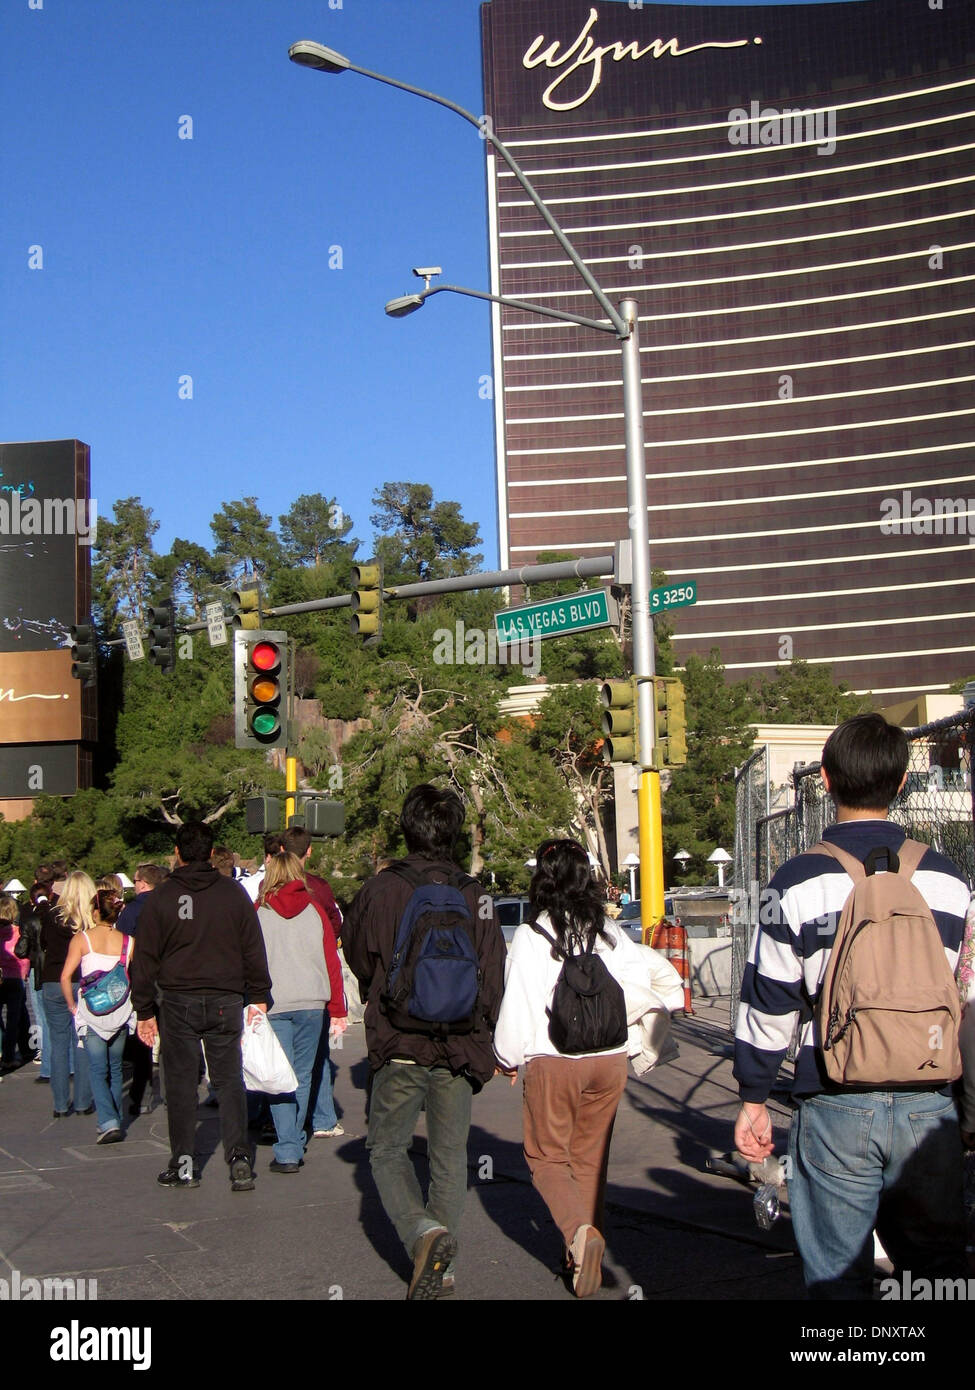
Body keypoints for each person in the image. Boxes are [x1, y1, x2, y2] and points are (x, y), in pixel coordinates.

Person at [733, 712, 971, 1298]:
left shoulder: (794, 881)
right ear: (901, 782)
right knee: (936, 1273)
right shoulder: (949, 881)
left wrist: (754, 1098)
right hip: (930, 1098)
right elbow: (965, 997)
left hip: (834, 1096)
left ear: (825, 779)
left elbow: (770, 1002)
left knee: (838, 1275)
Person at [343, 784, 506, 1300]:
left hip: (399, 1040)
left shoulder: (382, 889)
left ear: (407, 829)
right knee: (450, 1156)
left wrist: (381, 992)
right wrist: (486, 1034)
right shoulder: (475, 894)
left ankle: (422, 1234)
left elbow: (357, 955)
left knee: (386, 1148)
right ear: (454, 833)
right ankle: (444, 1265)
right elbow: (493, 973)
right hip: (460, 1043)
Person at [493, 839, 640, 1297]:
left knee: (546, 1158)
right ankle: (580, 1254)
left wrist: (506, 1058)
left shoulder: (532, 933)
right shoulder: (610, 931)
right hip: (610, 1059)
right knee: (590, 1159)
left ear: (543, 878)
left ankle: (578, 1233)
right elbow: (634, 988)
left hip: (554, 1060)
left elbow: (518, 1004)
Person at [130, 821, 273, 1191]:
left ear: (177, 853)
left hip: (178, 999)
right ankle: (239, 1157)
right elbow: (253, 947)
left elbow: (145, 958)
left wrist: (144, 1009)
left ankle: (184, 1164)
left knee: (180, 1084)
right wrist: (259, 994)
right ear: (211, 853)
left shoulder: (162, 897)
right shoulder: (232, 893)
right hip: (225, 997)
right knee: (229, 1080)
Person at [255, 852, 348, 1172]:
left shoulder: (260, 911)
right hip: (312, 1002)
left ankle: (288, 1147)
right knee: (303, 1074)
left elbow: (250, 959)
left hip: (274, 1001)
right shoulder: (315, 910)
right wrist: (338, 1008)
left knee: (279, 1076)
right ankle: (292, 1140)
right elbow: (331, 961)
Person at [281, 825, 347, 1138]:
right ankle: (321, 1118)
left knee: (281, 1058)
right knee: (316, 1057)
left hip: (278, 984)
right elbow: (334, 927)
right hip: (313, 981)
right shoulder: (318, 889)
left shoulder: (266, 892)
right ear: (309, 851)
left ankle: (280, 1124)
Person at [61, 886, 133, 1144]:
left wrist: (73, 1006)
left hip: (92, 1012)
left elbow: (65, 977)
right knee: (116, 1068)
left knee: (97, 1069)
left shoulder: (82, 939)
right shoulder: (128, 941)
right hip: (120, 1012)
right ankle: (115, 1118)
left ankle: (108, 1121)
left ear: (94, 912)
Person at [40, 872, 94, 1119]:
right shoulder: (90, 919)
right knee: (82, 1040)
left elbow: (44, 943)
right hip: (82, 980)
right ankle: (83, 1101)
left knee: (59, 1043)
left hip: (54, 979)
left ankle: (60, 1104)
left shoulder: (53, 916)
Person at [117, 864, 168, 1115]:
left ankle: (142, 1096)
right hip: (169, 978)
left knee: (143, 1040)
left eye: (135, 881)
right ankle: (172, 1094)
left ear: (143, 883)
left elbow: (121, 944)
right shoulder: (169, 905)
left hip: (141, 978)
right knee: (171, 1039)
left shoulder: (132, 910)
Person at [0, 893, 32, 1073]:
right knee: (14, 1019)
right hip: (15, 978)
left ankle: (2, 1050)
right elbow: (24, 957)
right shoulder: (18, 932)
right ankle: (9, 1056)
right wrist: (24, 974)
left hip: (1, 977)